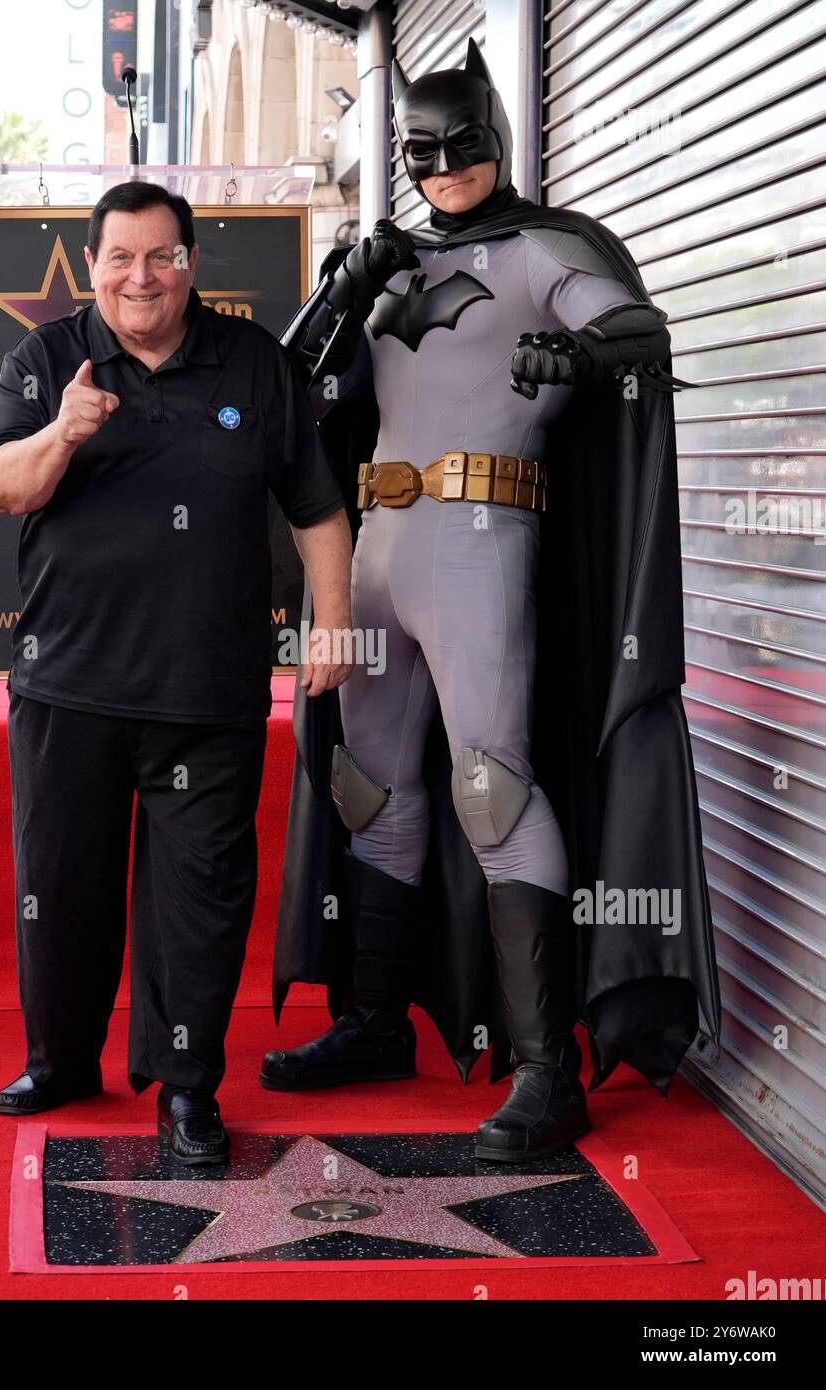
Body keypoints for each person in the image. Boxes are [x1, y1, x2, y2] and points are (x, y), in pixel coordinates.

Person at [265, 40, 720, 1163]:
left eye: (463, 143)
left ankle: (544, 1072)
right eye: (421, 150)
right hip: (378, 543)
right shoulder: (389, 264)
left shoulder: (541, 251)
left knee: (490, 787)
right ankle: (375, 1021)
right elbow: (288, 392)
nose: (444, 166)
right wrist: (346, 284)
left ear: (498, 139)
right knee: (368, 785)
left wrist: (571, 350)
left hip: (482, 537)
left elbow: (635, 330)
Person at [0, 180, 352, 1165]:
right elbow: (1, 486)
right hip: (68, 685)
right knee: (59, 888)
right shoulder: (44, 357)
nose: (139, 275)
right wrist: (62, 430)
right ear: (91, 264)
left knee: (202, 894)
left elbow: (316, 508)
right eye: (120, 257)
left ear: (189, 264)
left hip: (209, 690)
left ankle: (187, 1087)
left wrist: (332, 625)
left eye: (160, 256)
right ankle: (59, 1059)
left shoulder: (257, 366)